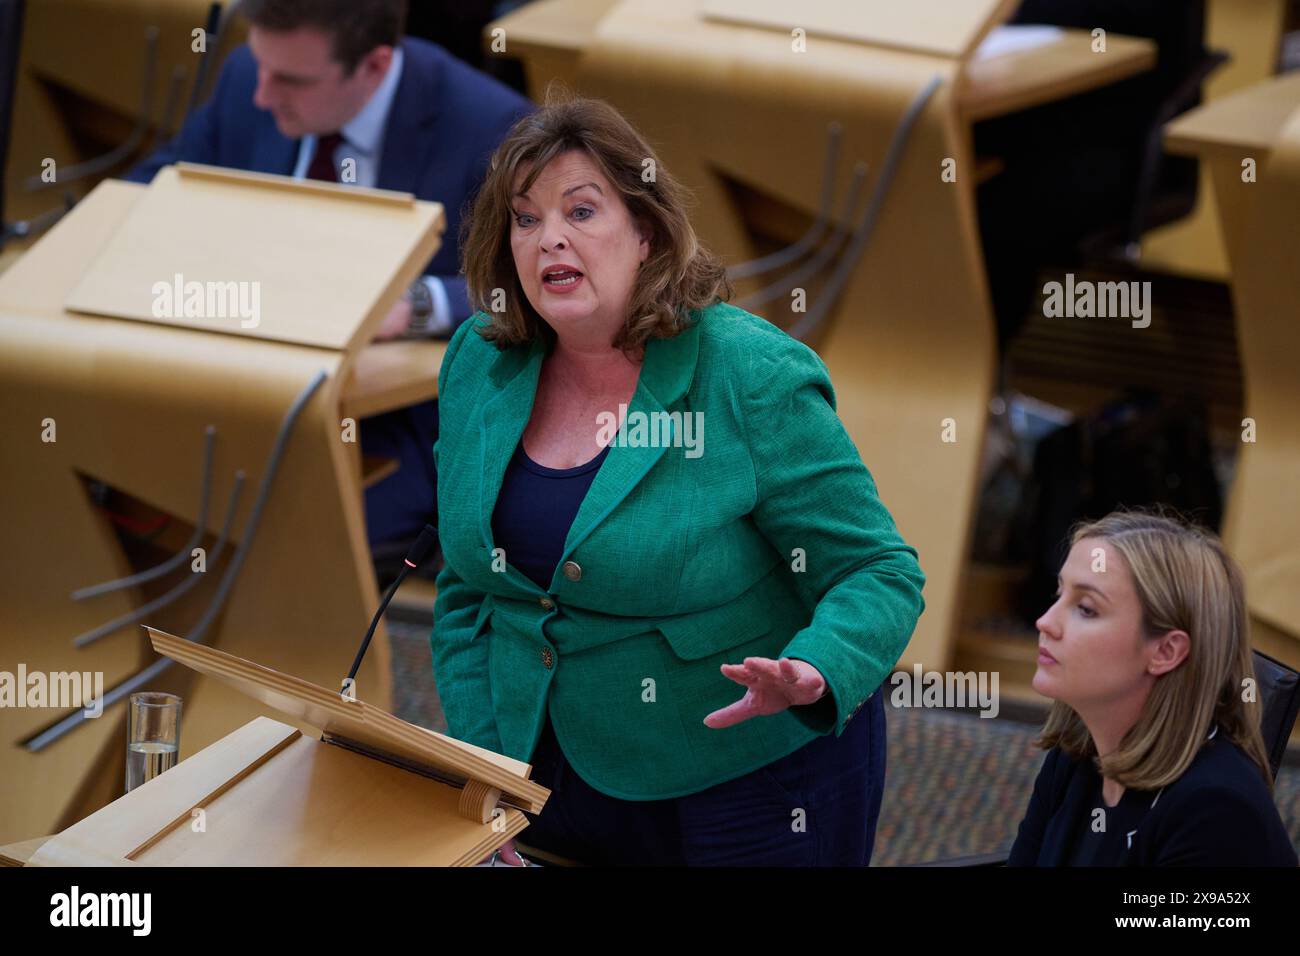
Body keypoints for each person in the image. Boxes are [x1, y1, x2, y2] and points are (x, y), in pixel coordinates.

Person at [430, 94, 926, 866]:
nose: (549, 238)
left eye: (581, 212)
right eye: (526, 219)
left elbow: (878, 570)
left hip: (748, 776)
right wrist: (482, 769)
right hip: (549, 773)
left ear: (647, 231)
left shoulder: (746, 372)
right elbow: (469, 590)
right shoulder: (479, 359)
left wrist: (814, 669)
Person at [123, 0, 533, 546]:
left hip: (386, 423)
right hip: (223, 388)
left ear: (374, 66)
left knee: (270, 536)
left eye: (291, 80)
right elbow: (164, 183)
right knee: (115, 487)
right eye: (262, 66)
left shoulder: (493, 127)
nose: (263, 95)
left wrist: (414, 305)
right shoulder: (249, 75)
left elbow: (540, 282)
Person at [1009, 511, 1298, 866]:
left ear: (1166, 651)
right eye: (1059, 594)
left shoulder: (1215, 811)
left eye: (1085, 608)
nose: (1045, 622)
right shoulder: (1079, 750)